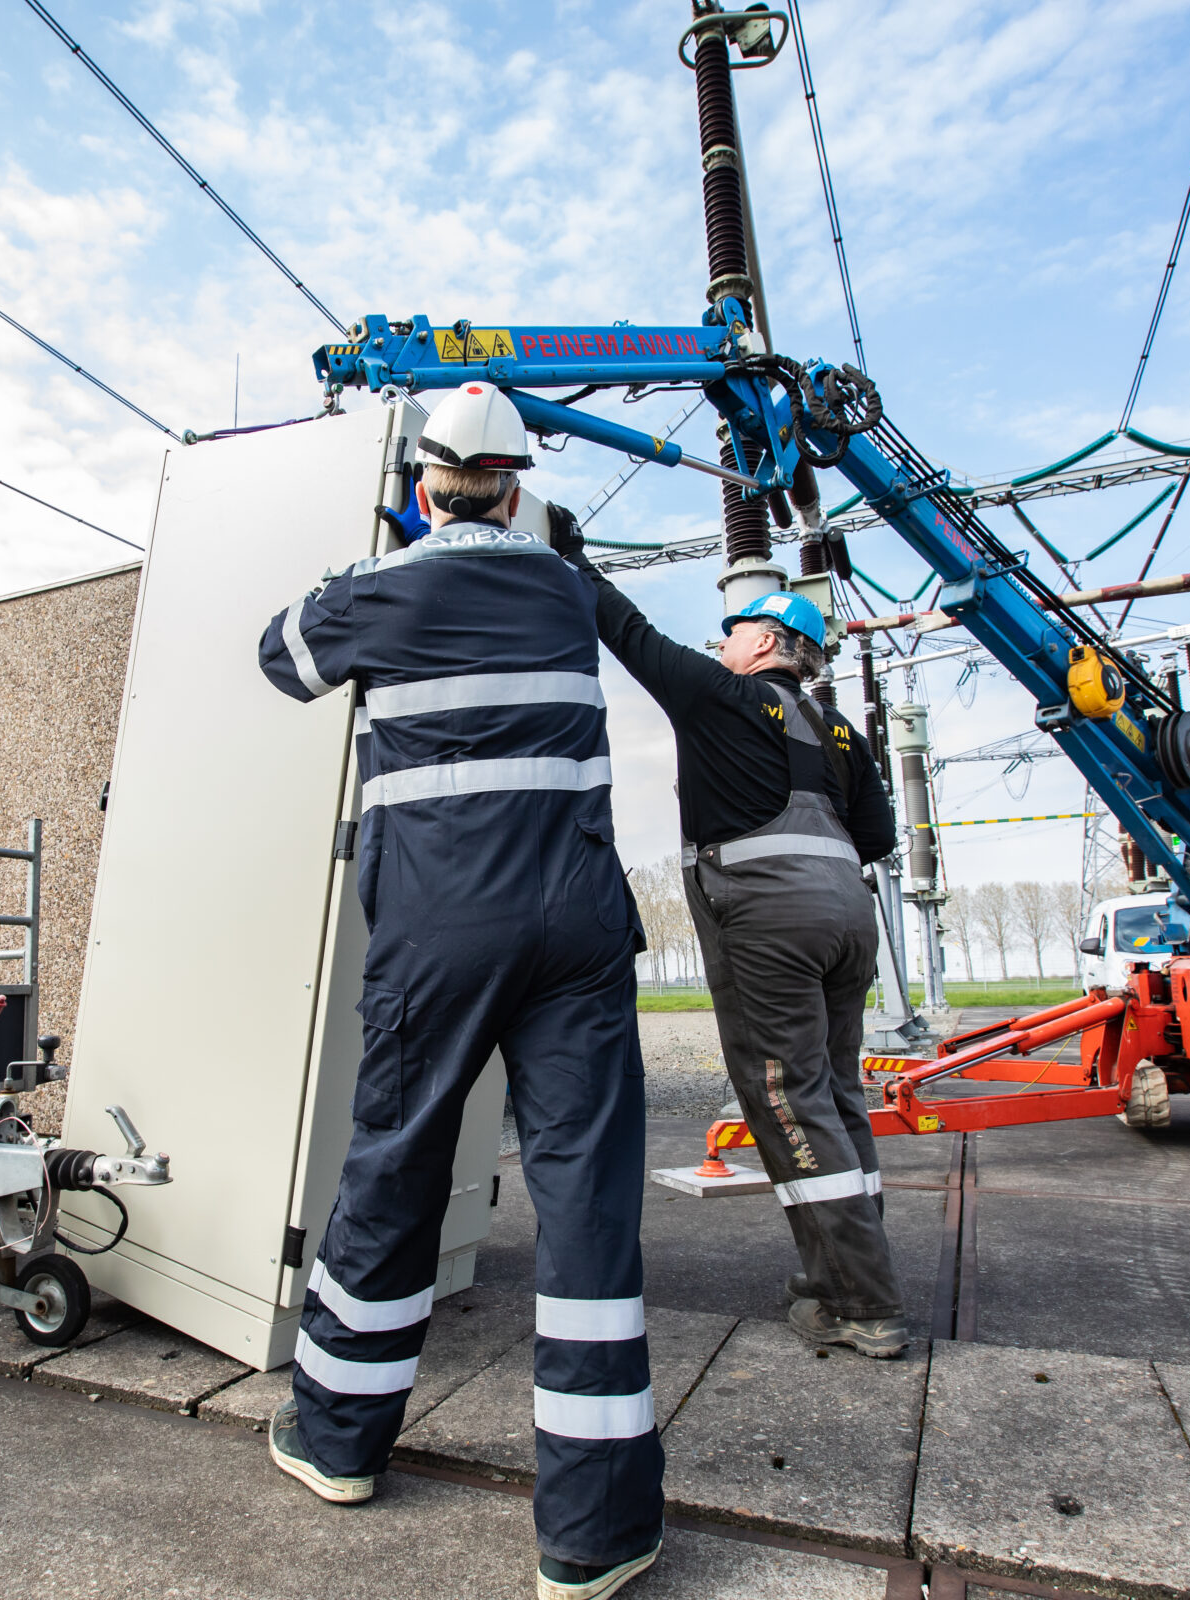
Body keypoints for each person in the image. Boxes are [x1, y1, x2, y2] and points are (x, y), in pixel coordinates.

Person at [258, 381, 665, 1600]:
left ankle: (336, 1442)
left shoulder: (383, 590)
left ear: (428, 482)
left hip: (441, 933)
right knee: (585, 1196)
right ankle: (593, 1532)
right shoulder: (566, 590)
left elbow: (276, 657)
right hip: (580, 929)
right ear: (519, 483)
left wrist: (378, 556)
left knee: (395, 1164)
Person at [555, 519, 907, 1358]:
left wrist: (574, 560)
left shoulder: (720, 696)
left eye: (736, 630)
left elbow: (626, 632)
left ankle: (863, 1300)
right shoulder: (842, 731)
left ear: (770, 644)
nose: (723, 639)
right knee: (837, 1096)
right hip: (850, 922)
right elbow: (880, 838)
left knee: (786, 1095)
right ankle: (841, 1275)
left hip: (767, 918)